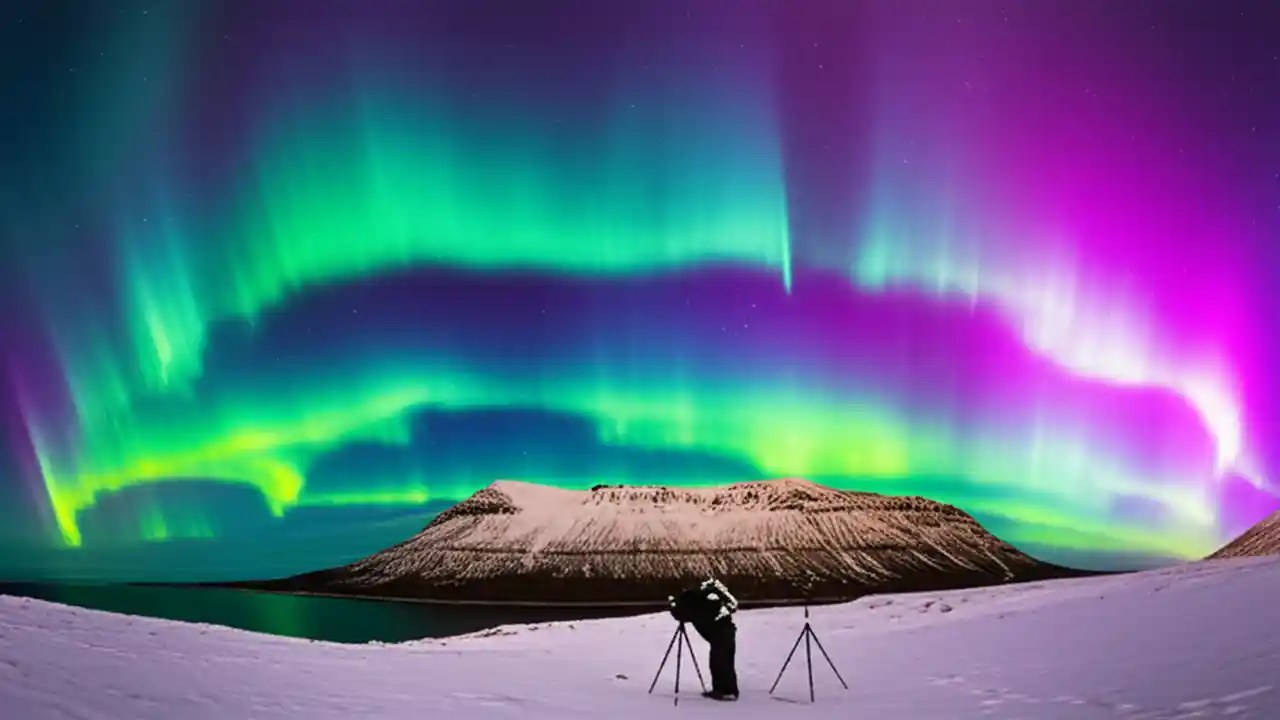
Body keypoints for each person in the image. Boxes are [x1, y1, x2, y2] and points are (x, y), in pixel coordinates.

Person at [668, 577, 740, 701]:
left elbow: (733, 604)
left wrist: (673, 603)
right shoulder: (693, 598)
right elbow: (682, 615)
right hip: (718, 632)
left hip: (722, 631)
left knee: (721, 660)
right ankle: (721, 689)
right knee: (718, 660)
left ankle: (728, 691)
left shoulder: (698, 596)